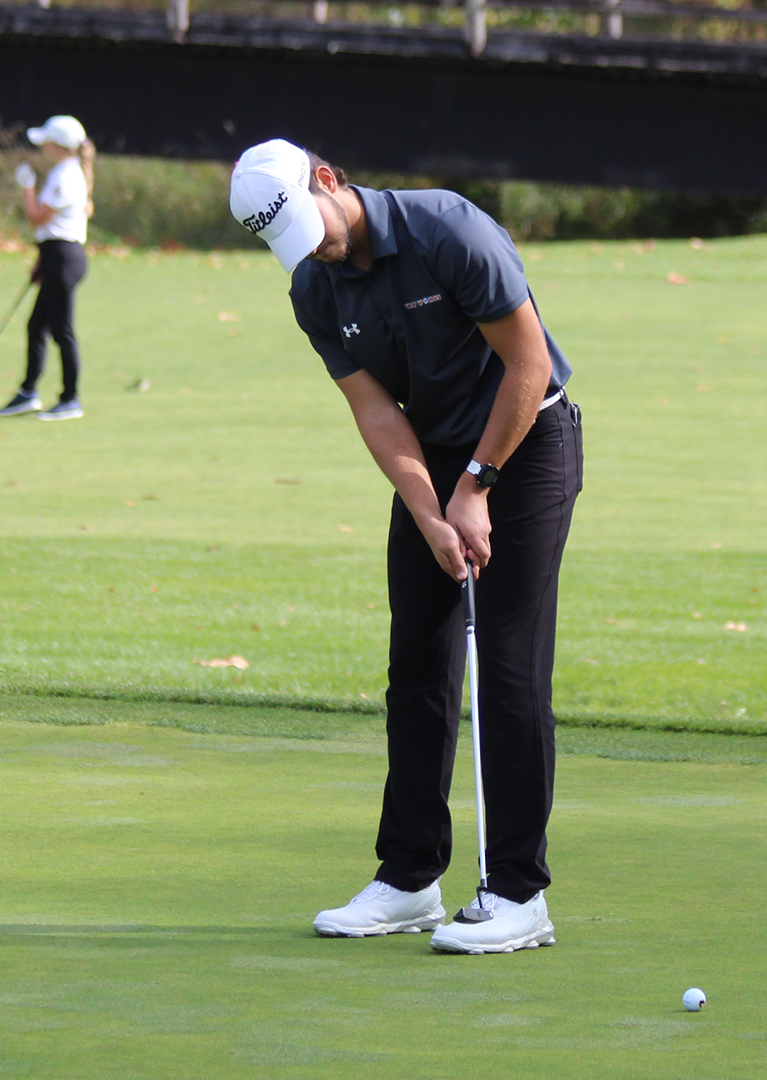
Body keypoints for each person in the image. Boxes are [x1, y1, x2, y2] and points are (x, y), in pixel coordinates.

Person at [229, 139, 583, 955]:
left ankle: (519, 894)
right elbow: (377, 412)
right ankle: (410, 879)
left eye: (304, 224)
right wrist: (430, 511)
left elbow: (527, 365)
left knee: (508, 663)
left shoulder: (448, 230)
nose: (308, 247)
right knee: (417, 664)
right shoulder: (313, 288)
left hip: (525, 447)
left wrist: (477, 487)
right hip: (432, 462)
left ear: (327, 179)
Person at [0, 115, 93, 421]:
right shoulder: (67, 172)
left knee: (61, 331)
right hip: (55, 255)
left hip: (63, 257)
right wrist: (41, 261)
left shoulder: (65, 176)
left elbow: (37, 218)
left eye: (46, 143)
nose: (42, 149)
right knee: (37, 325)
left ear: (57, 145)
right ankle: (28, 393)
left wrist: (27, 187)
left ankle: (70, 399)